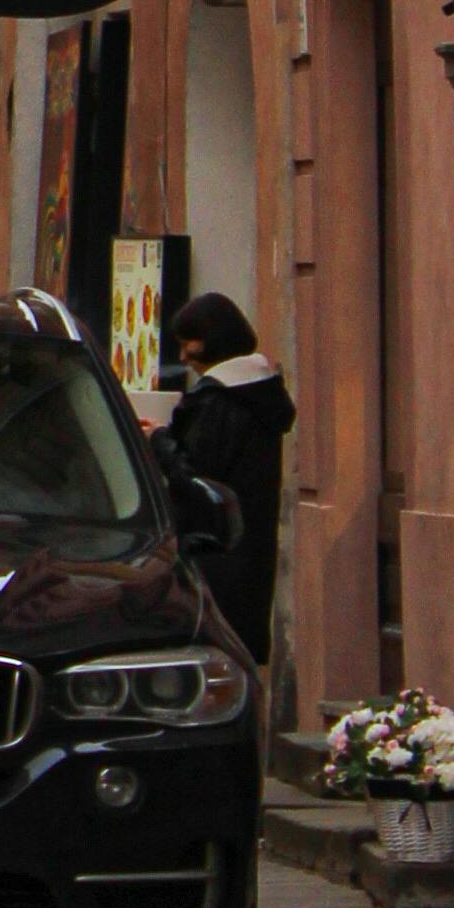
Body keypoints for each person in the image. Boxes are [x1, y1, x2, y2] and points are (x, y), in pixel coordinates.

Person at [162, 290, 292, 677]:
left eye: (190, 343)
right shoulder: (259, 395)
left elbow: (193, 474)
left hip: (213, 558)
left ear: (213, 340)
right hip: (247, 555)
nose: (184, 356)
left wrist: (159, 442)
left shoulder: (219, 403)